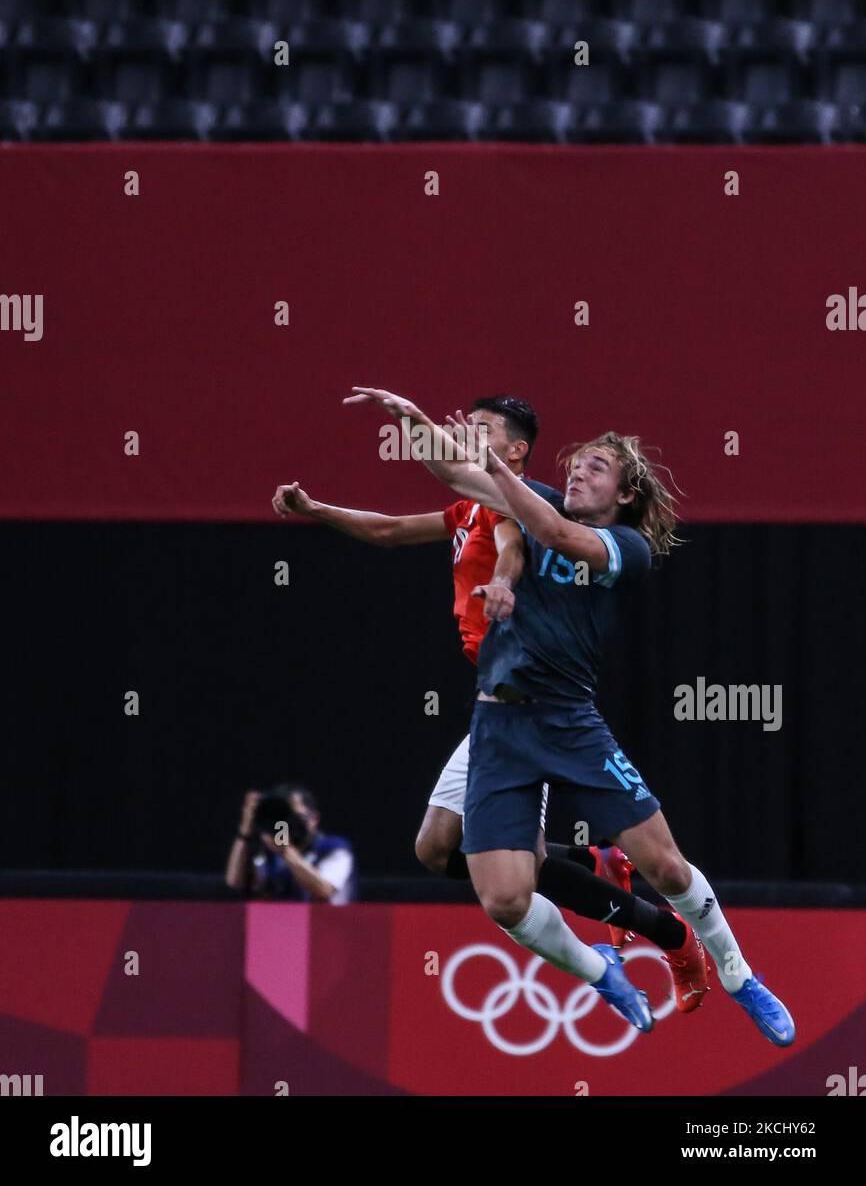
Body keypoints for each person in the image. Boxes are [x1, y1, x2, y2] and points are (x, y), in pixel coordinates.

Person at [344, 388, 795, 1048]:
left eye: (595, 468)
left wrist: (497, 472)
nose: (577, 472)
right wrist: (409, 418)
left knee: (666, 868)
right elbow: (449, 472)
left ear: (626, 496)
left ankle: (737, 973)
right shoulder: (533, 502)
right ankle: (598, 971)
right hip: (498, 727)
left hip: (569, 723)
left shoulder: (624, 547)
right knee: (502, 897)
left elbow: (553, 533)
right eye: (575, 463)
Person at [276, 395, 706, 1030]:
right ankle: (596, 864)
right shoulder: (466, 508)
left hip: (530, 708)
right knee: (436, 849)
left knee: (514, 874)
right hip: (493, 704)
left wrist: (503, 583)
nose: (460, 439)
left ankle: (663, 933)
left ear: (513, 455)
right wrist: (318, 511)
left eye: (478, 433)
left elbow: (512, 549)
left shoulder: (518, 510)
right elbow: (390, 530)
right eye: (460, 430)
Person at [226, 783, 356, 904]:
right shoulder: (269, 851)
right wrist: (245, 831)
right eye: (284, 818)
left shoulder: (334, 848)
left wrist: (285, 851)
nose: (289, 824)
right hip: (284, 924)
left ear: (314, 818)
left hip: (328, 924)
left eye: (296, 816)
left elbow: (324, 891)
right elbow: (235, 881)